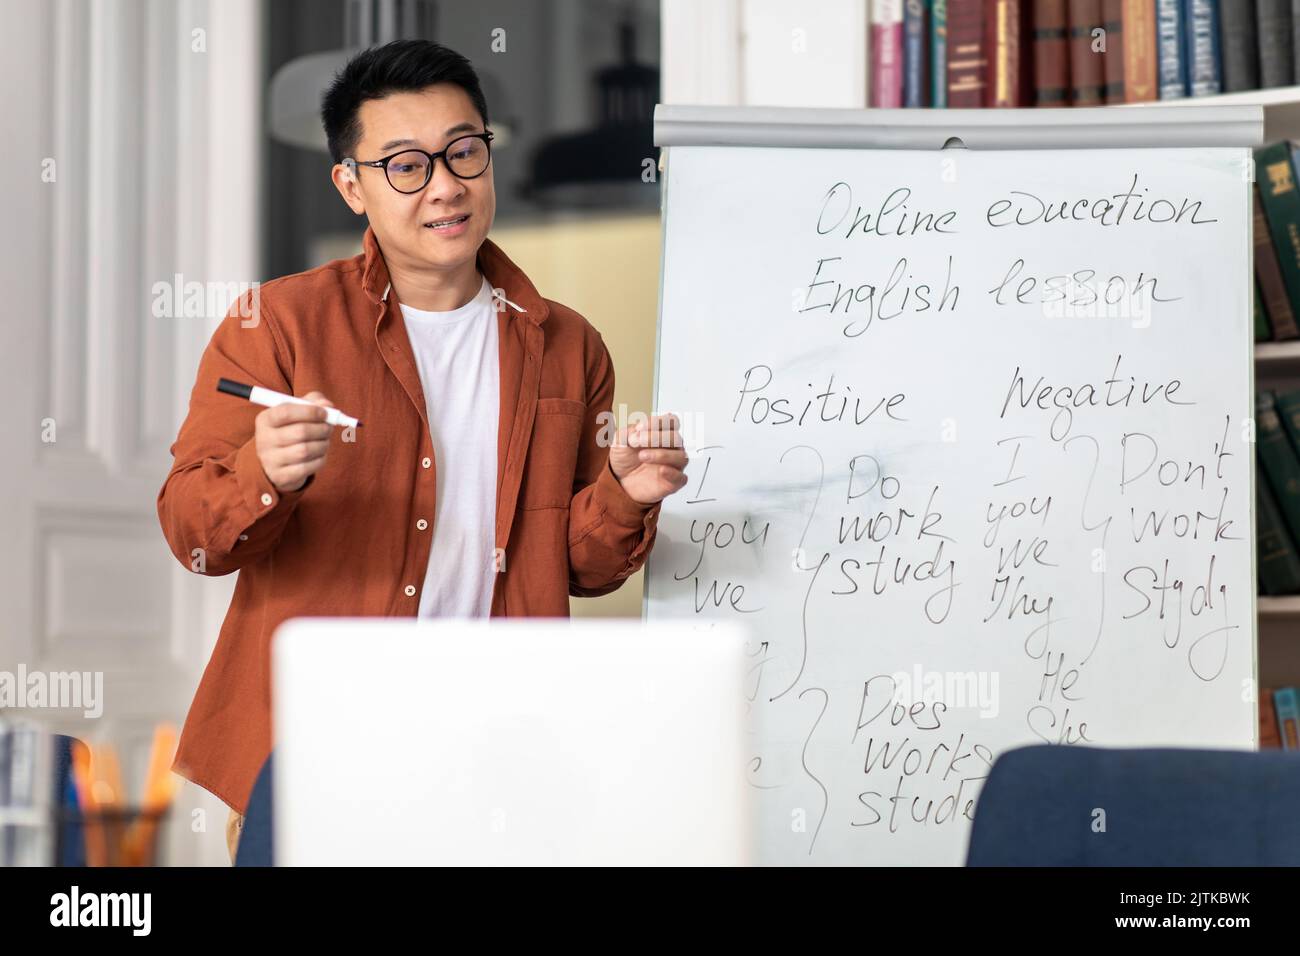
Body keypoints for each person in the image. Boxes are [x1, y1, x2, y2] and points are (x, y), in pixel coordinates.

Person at [156, 39, 687, 863]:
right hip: (313, 751)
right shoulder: (278, 324)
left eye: (464, 152)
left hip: (498, 747)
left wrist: (625, 491)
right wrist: (269, 471)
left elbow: (580, 566)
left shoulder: (568, 346)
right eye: (405, 165)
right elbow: (194, 533)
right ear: (351, 185)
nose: (445, 186)